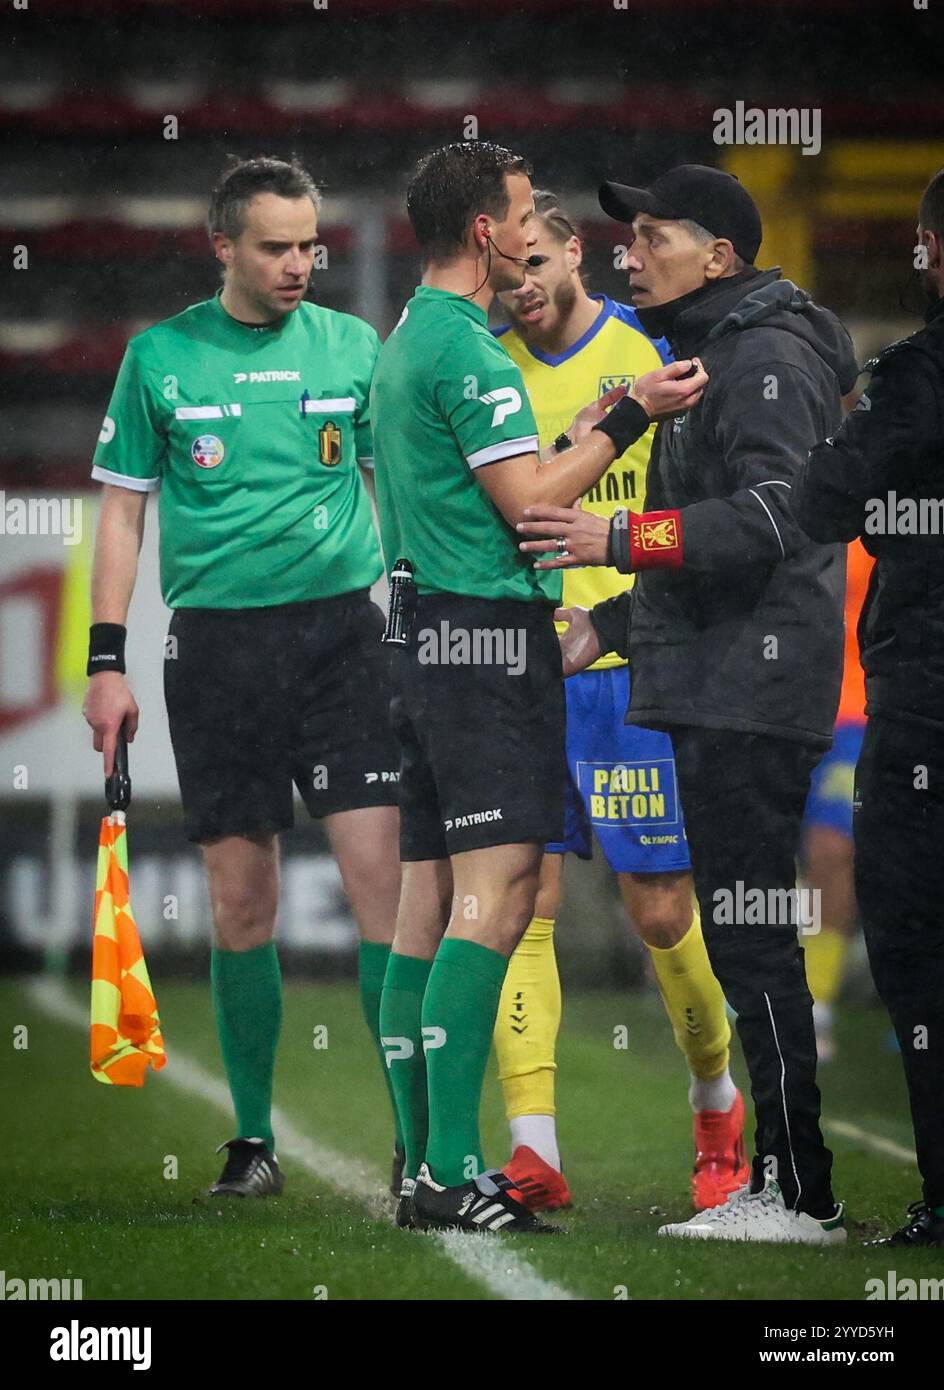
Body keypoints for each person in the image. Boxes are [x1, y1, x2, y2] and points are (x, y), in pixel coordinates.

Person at [370, 141, 707, 1234]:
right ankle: (456, 1169)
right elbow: (526, 510)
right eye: (519, 213)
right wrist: (627, 414)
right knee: (499, 895)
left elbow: (490, 487)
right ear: (484, 231)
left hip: (423, 641)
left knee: (427, 902)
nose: (532, 230)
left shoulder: (409, 337)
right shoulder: (467, 349)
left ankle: (422, 1161)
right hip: (485, 644)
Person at [518, 164, 857, 1244]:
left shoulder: (761, 359)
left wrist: (610, 539)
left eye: (652, 234)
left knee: (750, 942)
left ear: (718, 255)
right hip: (721, 681)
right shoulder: (716, 352)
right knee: (742, 936)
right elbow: (710, 537)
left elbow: (764, 519)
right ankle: (783, 1177)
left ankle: (794, 1190)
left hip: (748, 691)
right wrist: (607, 629)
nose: (629, 251)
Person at [83, 156, 404, 1198]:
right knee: (240, 903)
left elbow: (389, 484)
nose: (299, 263)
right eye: (275, 246)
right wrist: (105, 663)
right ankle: (254, 1141)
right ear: (222, 245)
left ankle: (418, 1137)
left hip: (342, 643)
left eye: (309, 242)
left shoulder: (354, 346)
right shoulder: (159, 358)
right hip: (215, 649)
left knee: (384, 892)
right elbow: (124, 510)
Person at [492, 191, 747, 1214]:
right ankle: (532, 1148)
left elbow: (695, 506)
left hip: (626, 671)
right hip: (514, 673)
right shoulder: (481, 370)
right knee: (520, 907)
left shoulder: (649, 354)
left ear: (573, 255)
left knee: (660, 911)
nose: (518, 283)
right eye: (502, 267)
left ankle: (714, 1104)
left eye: (535, 260)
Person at [792, 167, 944, 1248]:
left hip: (921, 696)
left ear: (931, 252)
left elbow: (820, 498)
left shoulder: (915, 378)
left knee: (911, 931)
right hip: (864, 697)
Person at [800, 539, 872, 1062]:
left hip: (856, 706)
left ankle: (816, 1002)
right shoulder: (782, 487)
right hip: (779, 699)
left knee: (831, 852)